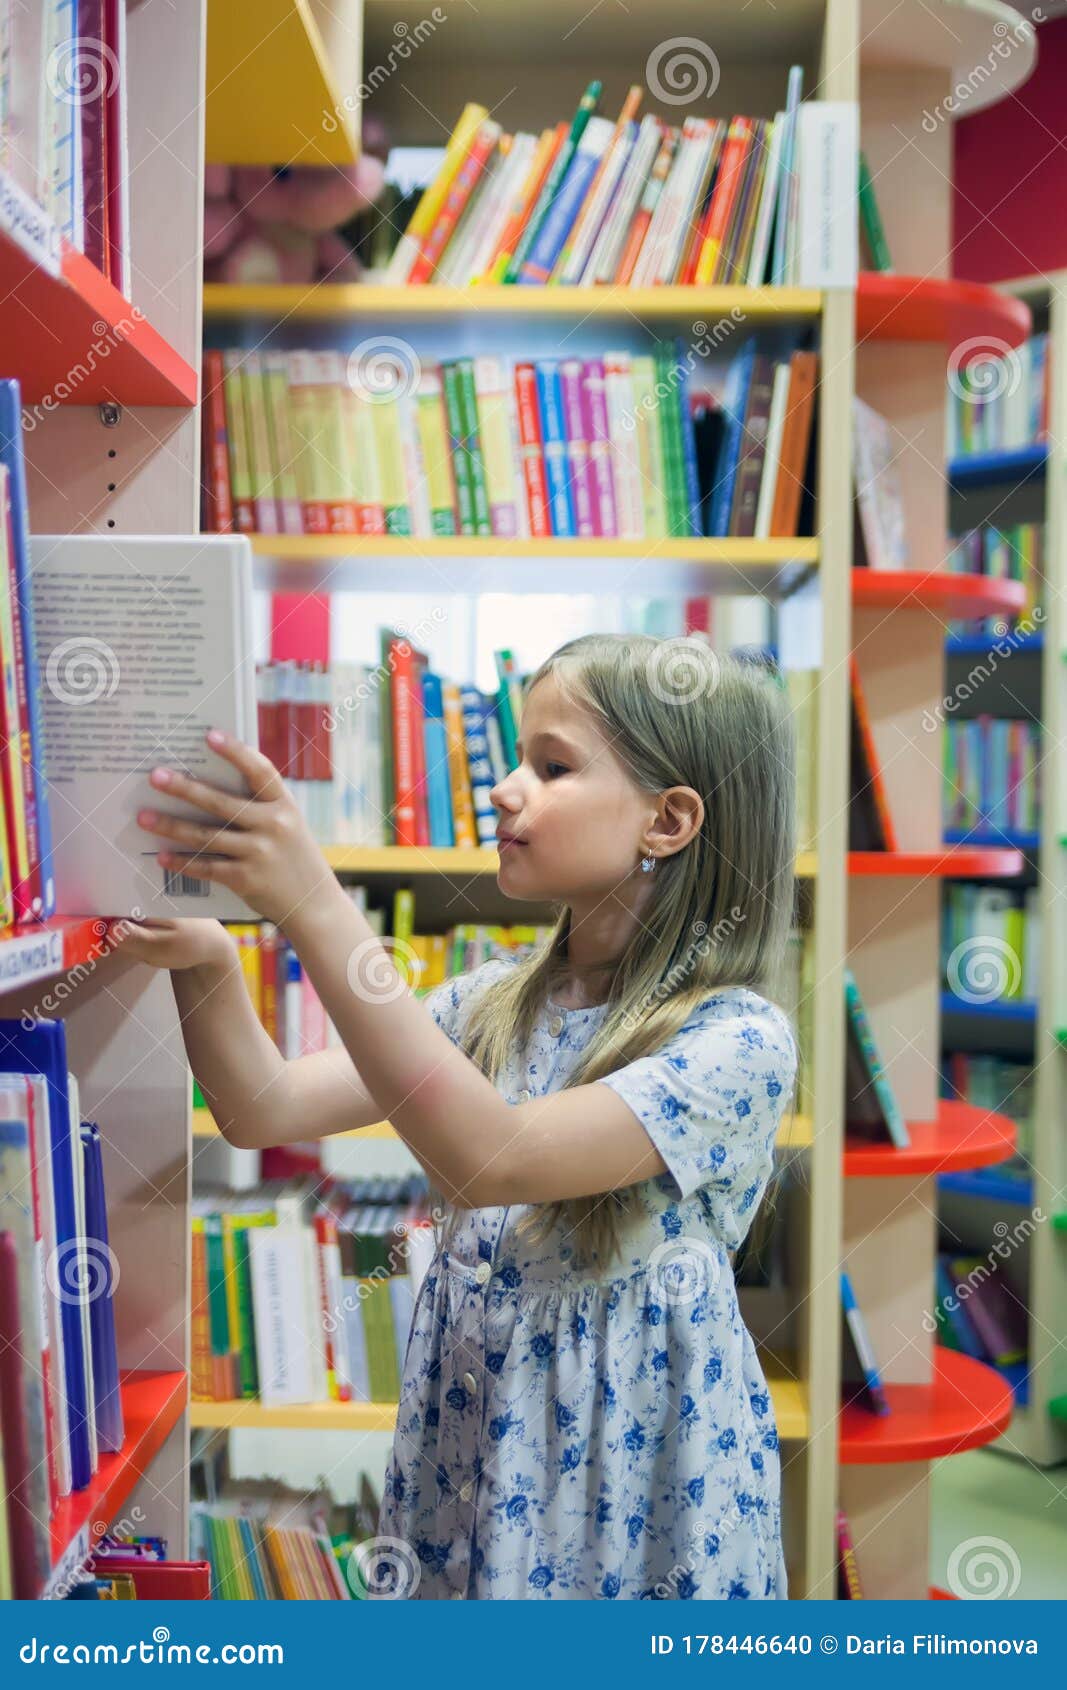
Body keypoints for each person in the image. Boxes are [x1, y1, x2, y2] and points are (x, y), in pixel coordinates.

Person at [119, 631, 798, 1600]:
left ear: (668, 819)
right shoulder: (490, 1004)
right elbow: (257, 1105)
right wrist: (207, 960)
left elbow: (494, 1156)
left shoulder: (738, 1042)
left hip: (635, 1483)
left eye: (551, 765)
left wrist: (311, 899)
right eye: (516, 758)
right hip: (475, 1450)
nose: (504, 787)